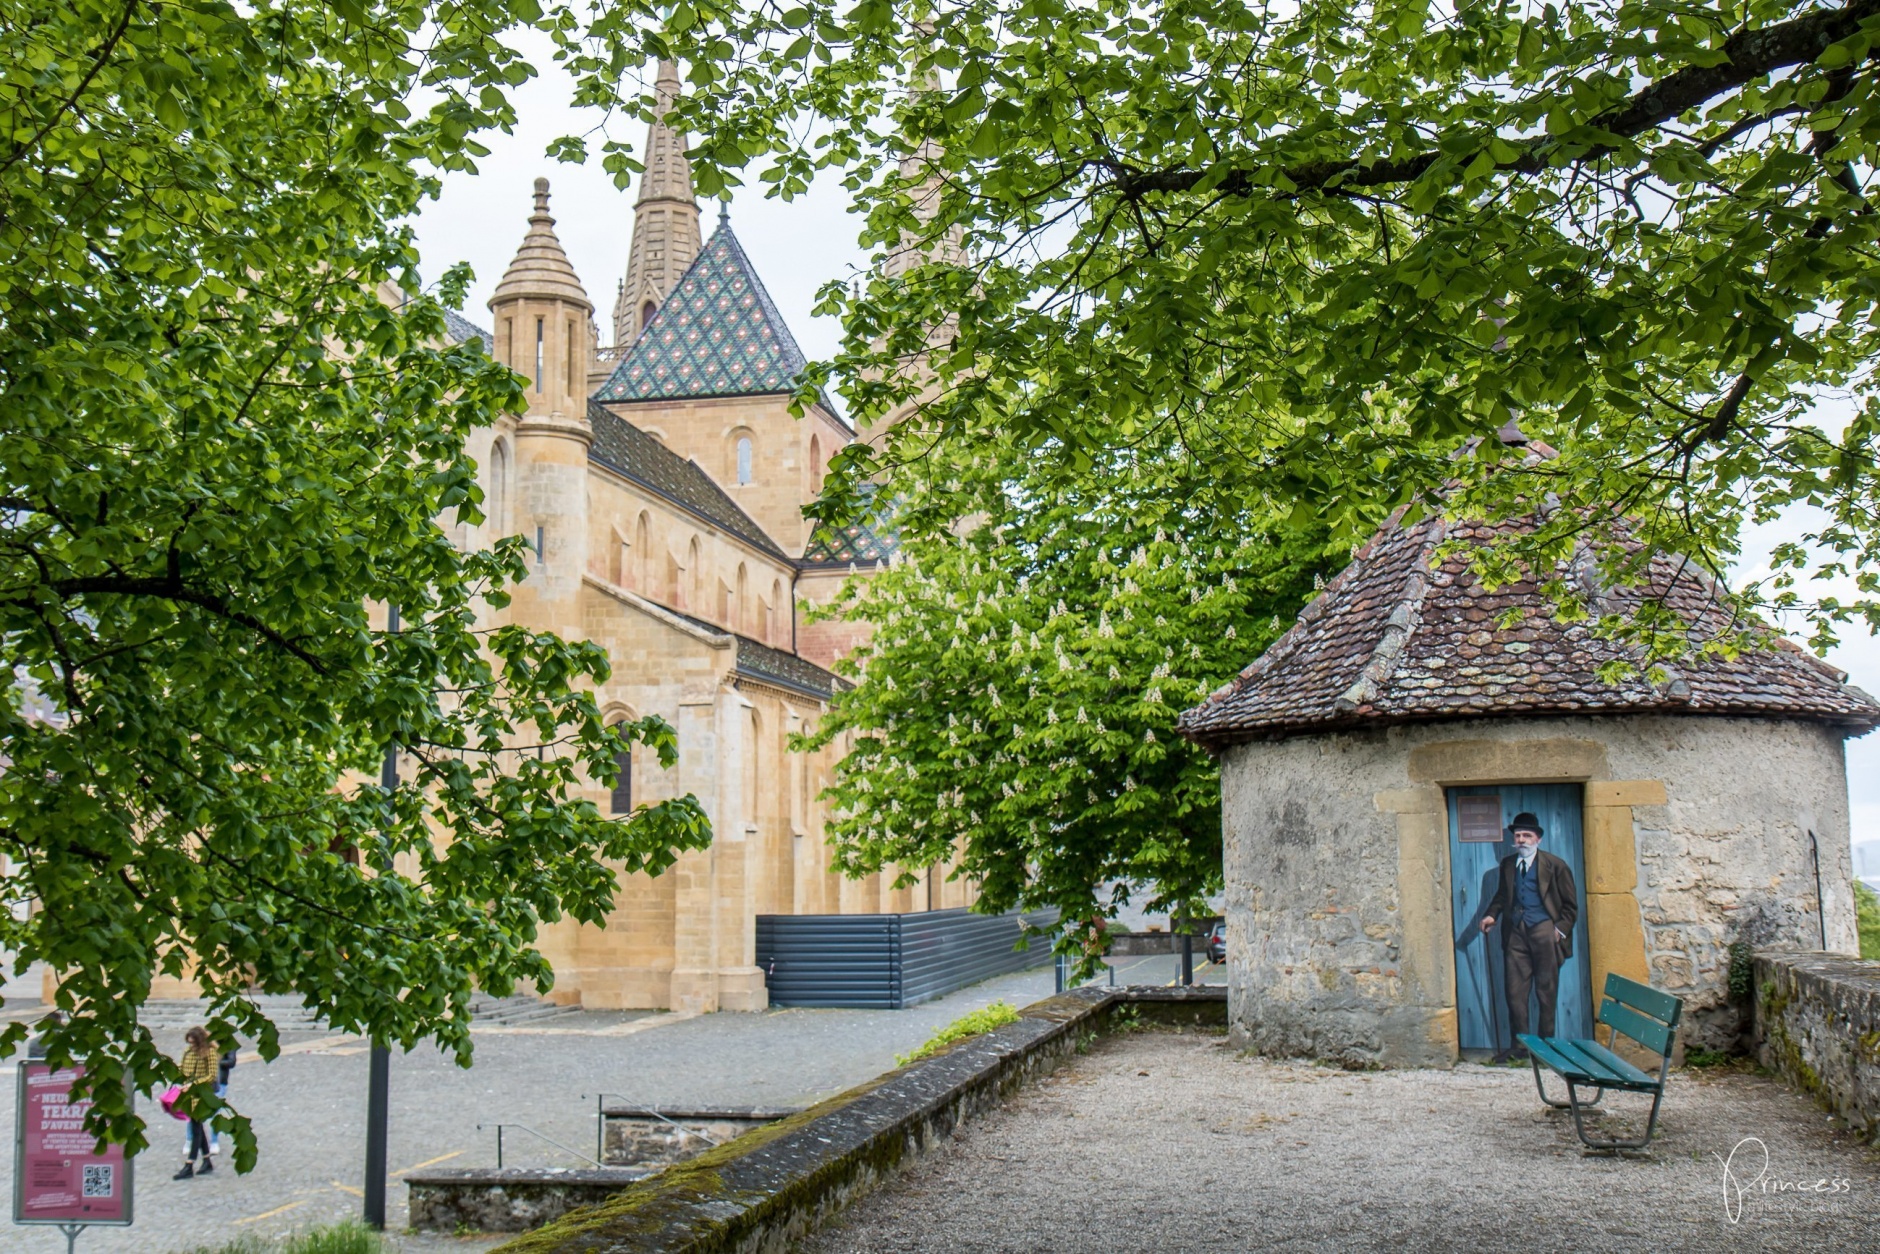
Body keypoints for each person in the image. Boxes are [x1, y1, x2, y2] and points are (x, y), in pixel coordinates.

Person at [1479, 812, 1579, 1057]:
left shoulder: (1556, 865)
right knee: (1515, 992)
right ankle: (1520, 1048)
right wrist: (1491, 915)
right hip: (1515, 934)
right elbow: (1502, 896)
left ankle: (1546, 1048)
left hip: (1545, 932)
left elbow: (1570, 906)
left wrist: (1558, 930)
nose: (1522, 840)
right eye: (1518, 836)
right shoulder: (1507, 865)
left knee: (1546, 992)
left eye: (1527, 835)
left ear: (1538, 839)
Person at [174, 1027, 217, 1179]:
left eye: (193, 1043)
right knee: (197, 1125)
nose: (191, 1045)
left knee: (196, 1128)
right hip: (188, 1094)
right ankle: (207, 1160)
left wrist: (194, 1084)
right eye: (189, 1042)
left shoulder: (210, 1052)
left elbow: (211, 1075)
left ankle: (189, 1164)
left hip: (201, 1094)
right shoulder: (188, 1051)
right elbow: (182, 1068)